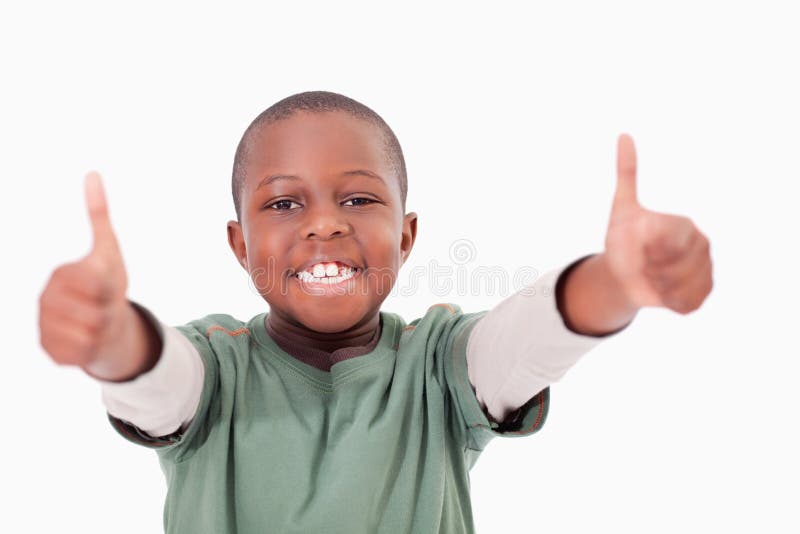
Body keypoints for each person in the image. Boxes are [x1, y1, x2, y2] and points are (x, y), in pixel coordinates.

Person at [38, 90, 713, 533]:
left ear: (407, 236)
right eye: (283, 203)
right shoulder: (213, 366)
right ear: (240, 245)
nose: (325, 226)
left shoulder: (441, 363)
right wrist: (108, 333)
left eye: (358, 200)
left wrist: (616, 282)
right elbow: (154, 378)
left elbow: (527, 338)